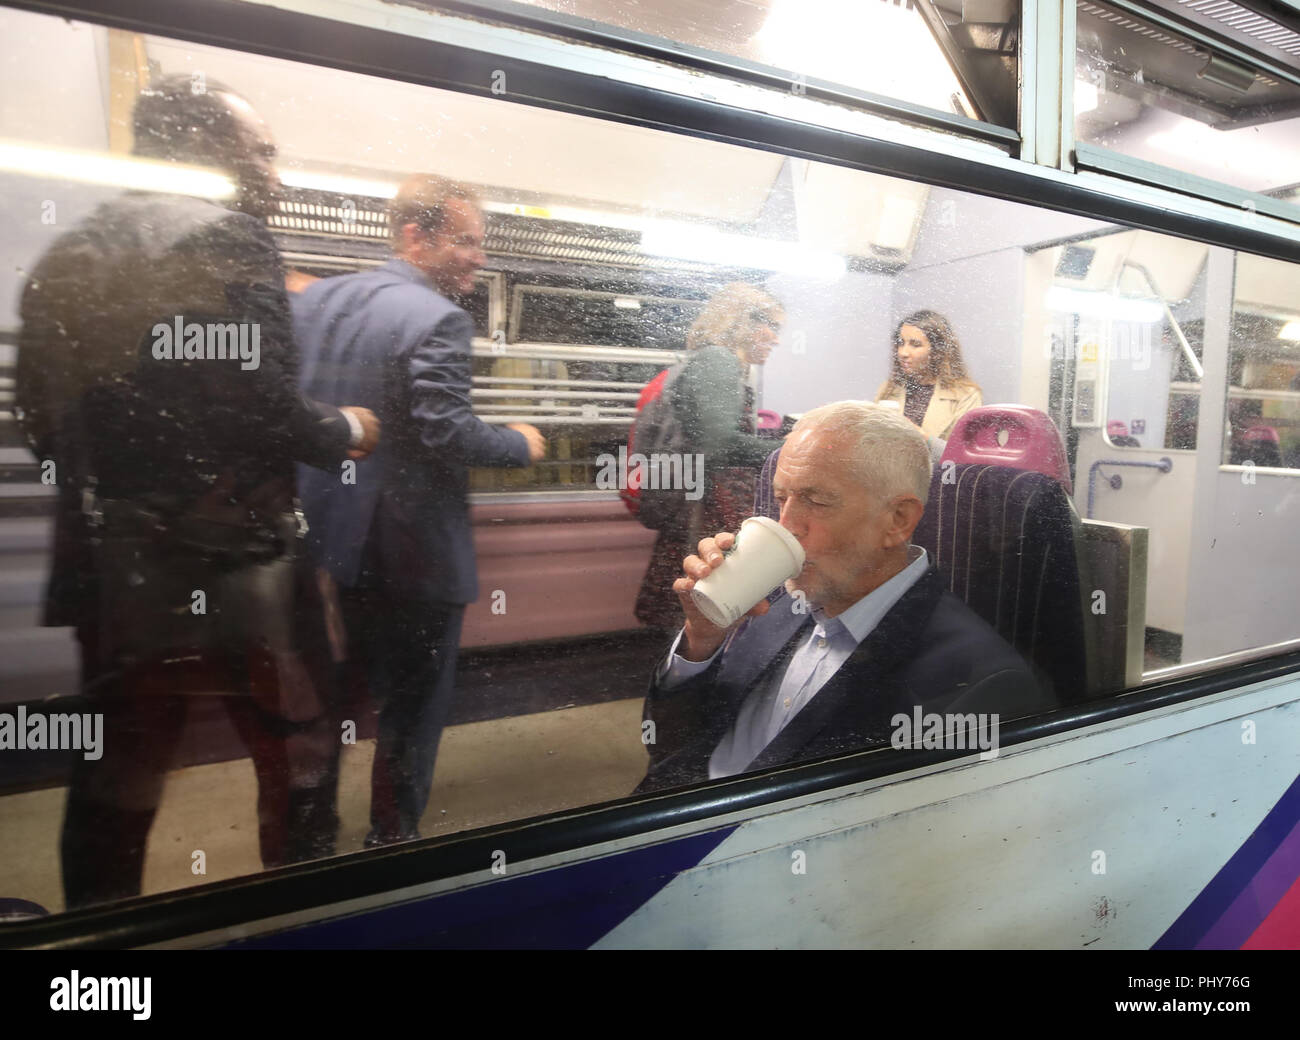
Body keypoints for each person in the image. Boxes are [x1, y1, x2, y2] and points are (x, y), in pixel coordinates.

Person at [15, 74, 380, 907]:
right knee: (302, 747)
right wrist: (347, 429)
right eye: (263, 153)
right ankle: (297, 918)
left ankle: (99, 959)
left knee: (120, 767)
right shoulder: (231, 236)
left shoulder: (66, 255)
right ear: (205, 151)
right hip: (238, 560)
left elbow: (41, 417)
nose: (276, 177)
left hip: (111, 568)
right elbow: (253, 400)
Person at [294, 174, 546, 847]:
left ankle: (307, 842)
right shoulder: (437, 319)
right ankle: (391, 840)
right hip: (410, 555)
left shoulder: (314, 301)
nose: (477, 257)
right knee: (411, 707)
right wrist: (517, 443)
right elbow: (446, 432)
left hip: (322, 548)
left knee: (323, 701)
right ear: (415, 236)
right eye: (464, 241)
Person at [638, 401, 1048, 790]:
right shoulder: (769, 601)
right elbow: (669, 748)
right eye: (781, 499)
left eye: (816, 501)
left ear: (897, 521)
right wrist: (701, 641)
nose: (787, 526)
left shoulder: (978, 684)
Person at [634, 283, 785, 629]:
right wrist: (785, 450)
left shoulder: (713, 361)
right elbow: (718, 445)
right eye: (771, 327)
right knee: (703, 605)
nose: (776, 339)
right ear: (743, 323)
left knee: (700, 603)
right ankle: (691, 672)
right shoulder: (718, 360)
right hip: (706, 509)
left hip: (699, 504)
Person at [875, 310, 982, 440]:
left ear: (937, 351)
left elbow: (961, 454)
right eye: (901, 343)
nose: (903, 352)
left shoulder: (966, 395)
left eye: (915, 345)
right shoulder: (889, 389)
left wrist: (923, 437)